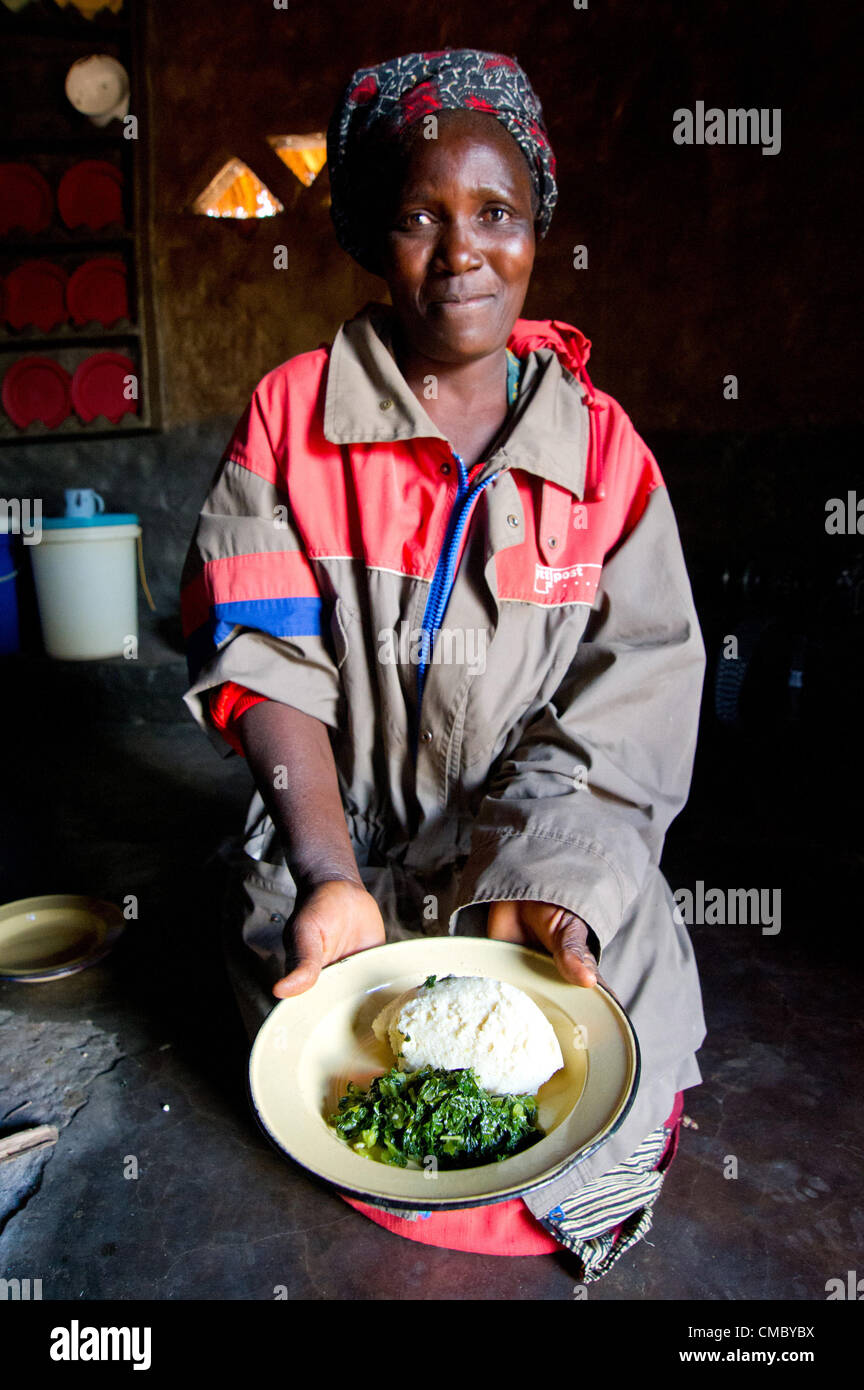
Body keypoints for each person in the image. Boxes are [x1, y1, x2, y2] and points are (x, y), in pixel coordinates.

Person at [179, 48, 706, 1279]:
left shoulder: (607, 453)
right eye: (418, 215)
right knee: (320, 1014)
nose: (461, 250)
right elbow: (265, 654)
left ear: (536, 232)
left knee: (613, 999)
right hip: (342, 830)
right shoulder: (290, 417)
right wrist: (323, 868)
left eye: (496, 215)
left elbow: (630, 704)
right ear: (369, 231)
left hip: (538, 833)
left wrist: (555, 882)